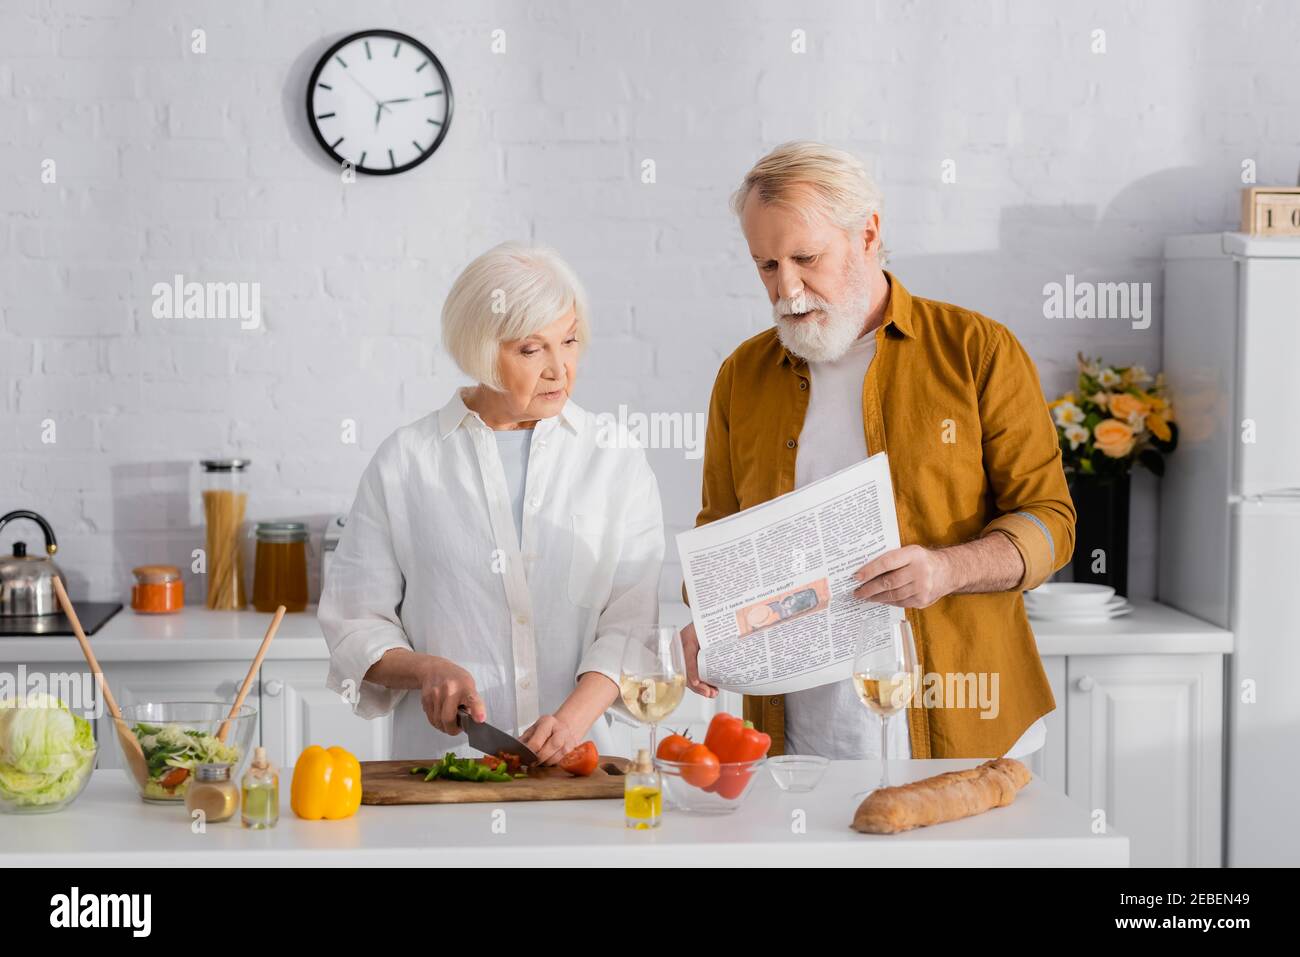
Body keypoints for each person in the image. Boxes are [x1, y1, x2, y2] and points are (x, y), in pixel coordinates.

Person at [682, 142, 1075, 760]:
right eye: (766, 265)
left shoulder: (977, 350)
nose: (786, 288)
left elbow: (1052, 524)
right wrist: (711, 619)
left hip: (967, 730)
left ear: (867, 233)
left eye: (806, 257)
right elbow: (720, 539)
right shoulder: (742, 376)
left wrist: (947, 570)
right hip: (803, 739)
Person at [320, 242, 664, 763]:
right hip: (444, 774)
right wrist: (425, 669)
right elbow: (355, 622)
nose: (559, 369)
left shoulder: (614, 458)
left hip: (581, 774)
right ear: (481, 349)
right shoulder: (407, 462)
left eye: (568, 342)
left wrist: (570, 722)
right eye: (531, 350)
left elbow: (631, 623)